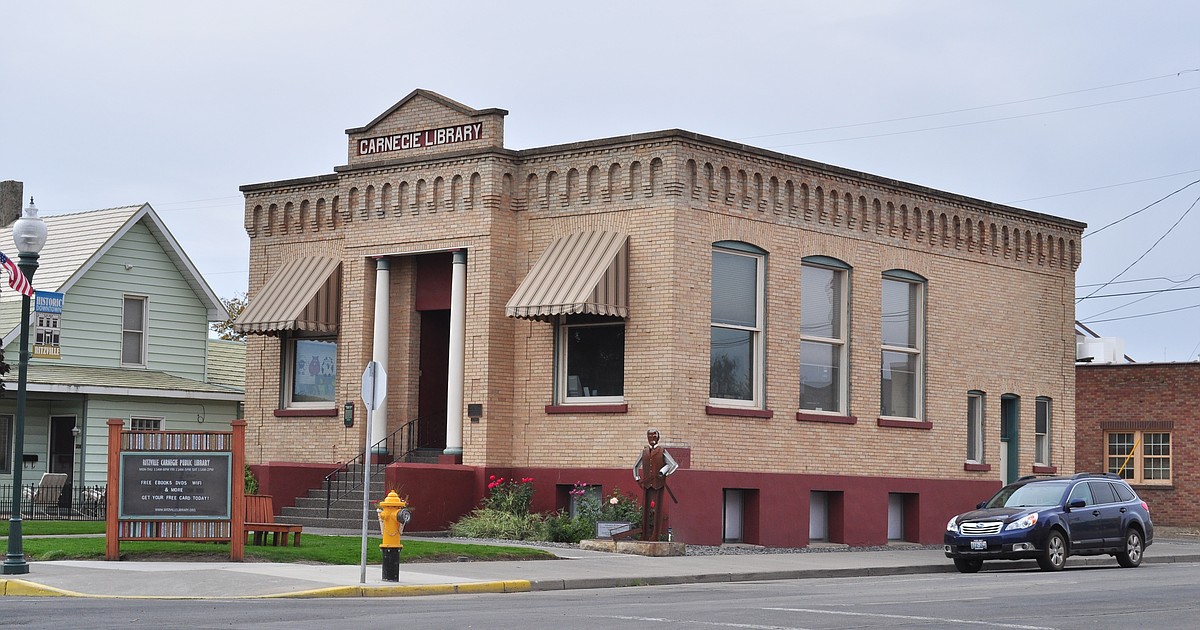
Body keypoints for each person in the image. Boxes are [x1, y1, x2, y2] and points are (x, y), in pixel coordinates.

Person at [632, 428, 678, 542]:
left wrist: (664, 473)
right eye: (650, 437)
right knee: (646, 510)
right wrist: (637, 478)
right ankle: (645, 535)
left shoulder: (662, 451)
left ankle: (655, 536)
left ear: (658, 438)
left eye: (654, 436)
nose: (652, 439)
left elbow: (673, 465)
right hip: (647, 484)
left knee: (657, 510)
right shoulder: (645, 452)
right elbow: (636, 466)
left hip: (658, 484)